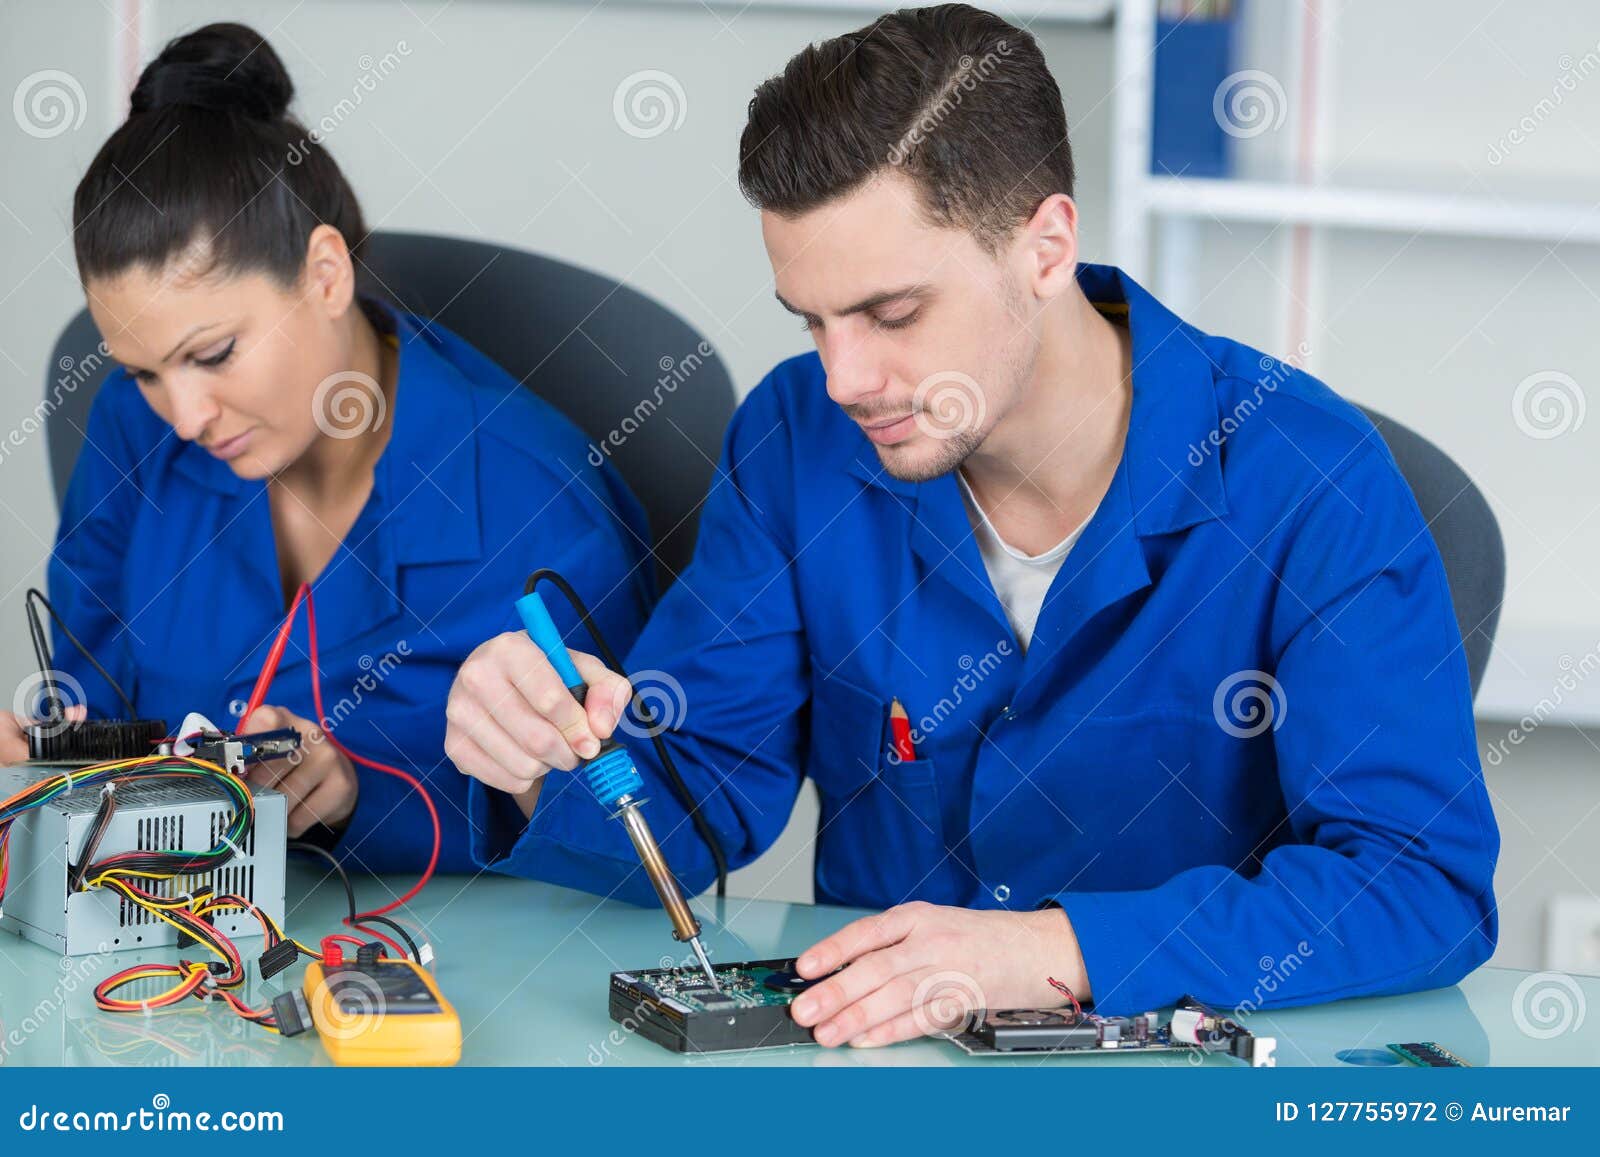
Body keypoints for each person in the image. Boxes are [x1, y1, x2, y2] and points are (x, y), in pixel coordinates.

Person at [445, 4, 1498, 1041]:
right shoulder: (794, 436)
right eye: (813, 320)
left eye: (893, 314)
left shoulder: (1311, 479)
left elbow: (1416, 882)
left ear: (1045, 247)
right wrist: (547, 752)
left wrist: (1051, 949)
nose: (845, 378)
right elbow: (693, 801)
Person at [1, 23, 654, 875]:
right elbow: (87, 712)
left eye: (213, 354)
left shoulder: (536, 500)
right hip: (163, 966)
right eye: (144, 371)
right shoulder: (134, 429)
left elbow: (623, 850)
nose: (185, 416)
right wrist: (36, 757)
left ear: (325, 274)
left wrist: (355, 798)